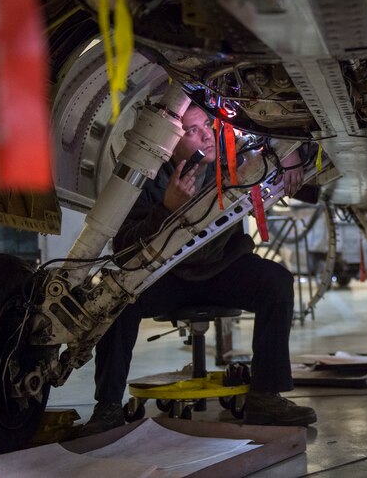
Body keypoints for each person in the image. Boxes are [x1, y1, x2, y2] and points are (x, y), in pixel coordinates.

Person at [82, 103, 315, 434]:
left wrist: (289, 154)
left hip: (222, 268)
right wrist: (166, 209)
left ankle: (265, 396)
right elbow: (125, 250)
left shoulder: (229, 159)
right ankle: (106, 407)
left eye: (207, 125)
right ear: (172, 141)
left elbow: (279, 144)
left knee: (275, 281)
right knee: (117, 298)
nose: (207, 135)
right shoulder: (145, 176)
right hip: (166, 276)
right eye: (192, 131)